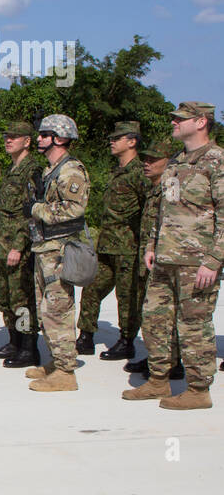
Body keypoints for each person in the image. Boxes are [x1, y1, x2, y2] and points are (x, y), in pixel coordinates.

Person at [123, 102, 222, 410]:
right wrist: (152, 244)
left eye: (181, 119)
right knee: (155, 321)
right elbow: (164, 208)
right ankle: (158, 380)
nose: (174, 123)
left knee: (194, 325)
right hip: (165, 257)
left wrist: (214, 259)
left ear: (201, 122)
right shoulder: (177, 160)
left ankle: (198, 389)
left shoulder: (216, 160)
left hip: (197, 261)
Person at [23, 114, 89, 392]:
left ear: (60, 138)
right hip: (45, 247)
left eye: (44, 134)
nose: (39, 138)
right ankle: (56, 360)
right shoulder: (51, 170)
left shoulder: (70, 171)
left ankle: (66, 371)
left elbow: (75, 209)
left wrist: (36, 209)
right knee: (45, 309)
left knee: (58, 309)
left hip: (60, 249)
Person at [77, 122, 149, 359]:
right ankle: (86, 335)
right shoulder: (116, 171)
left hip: (128, 248)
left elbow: (148, 210)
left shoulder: (140, 172)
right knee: (91, 288)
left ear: (132, 141)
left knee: (128, 297)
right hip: (107, 244)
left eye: (117, 138)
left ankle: (127, 341)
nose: (112, 141)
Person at [124, 137, 184, 380]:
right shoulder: (152, 189)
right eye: (145, 159)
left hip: (165, 259)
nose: (146, 164)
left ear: (167, 163)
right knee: (152, 315)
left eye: (153, 160)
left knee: (166, 315)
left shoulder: (171, 188)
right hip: (148, 258)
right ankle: (157, 358)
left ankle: (174, 362)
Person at [0, 122, 45, 367]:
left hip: (16, 249)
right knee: (2, 296)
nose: (8, 140)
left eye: (14, 137)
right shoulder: (12, 170)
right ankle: (13, 340)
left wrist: (19, 246)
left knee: (21, 300)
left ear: (27, 141)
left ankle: (28, 347)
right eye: (6, 136)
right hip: (1, 246)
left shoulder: (32, 171)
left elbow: (30, 214)